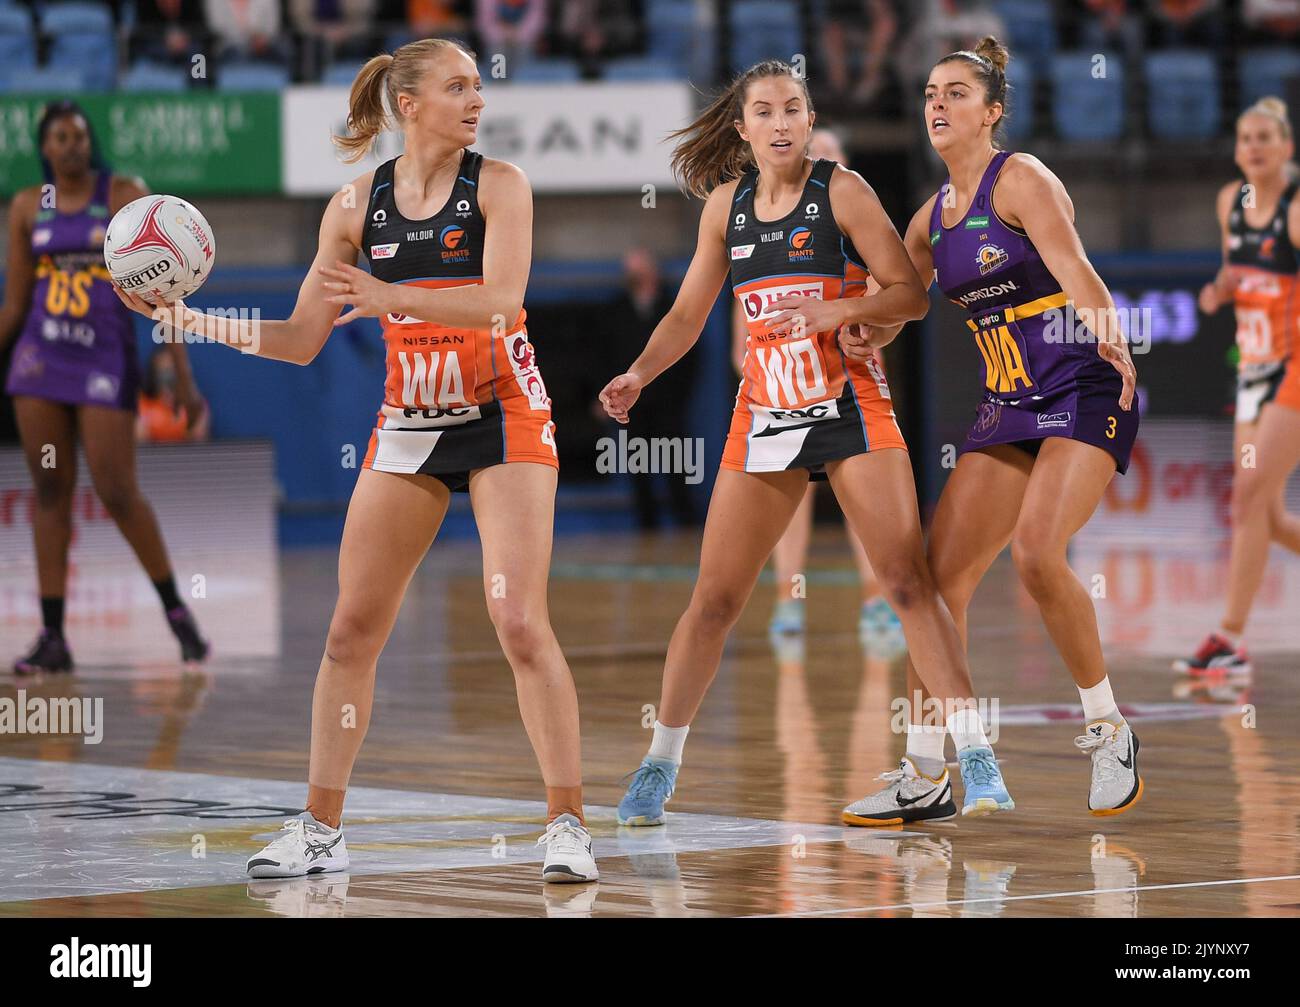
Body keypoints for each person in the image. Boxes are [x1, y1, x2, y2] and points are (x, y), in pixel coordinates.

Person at [113, 39, 597, 883]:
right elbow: (302, 341)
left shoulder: (503, 187)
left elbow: (502, 303)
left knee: (519, 620)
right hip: (409, 421)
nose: (476, 100)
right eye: (457, 87)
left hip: (503, 416)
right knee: (349, 632)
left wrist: (388, 297)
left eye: (478, 86)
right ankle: (321, 830)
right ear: (409, 106)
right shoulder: (352, 208)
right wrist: (186, 319)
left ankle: (566, 824)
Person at [602, 59, 1013, 829]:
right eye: (766, 111)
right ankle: (658, 766)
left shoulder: (844, 191)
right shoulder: (725, 207)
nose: (783, 122)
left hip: (850, 407)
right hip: (764, 418)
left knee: (905, 580)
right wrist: (638, 374)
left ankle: (975, 754)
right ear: (743, 128)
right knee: (714, 601)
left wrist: (835, 312)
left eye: (794, 107)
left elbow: (910, 293)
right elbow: (689, 314)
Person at [840, 36, 1143, 819]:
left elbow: (1077, 270)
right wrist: (867, 323)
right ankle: (924, 771)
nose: (937, 105)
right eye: (931, 93)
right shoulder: (929, 219)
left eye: (956, 93)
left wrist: (1109, 332)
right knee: (936, 586)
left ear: (992, 112)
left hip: (1080, 380)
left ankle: (1107, 727)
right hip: (1009, 401)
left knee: (1039, 552)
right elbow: (904, 297)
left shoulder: (1024, 179)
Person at [0, 100, 208, 675]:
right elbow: (15, 305)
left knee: (117, 491)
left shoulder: (120, 193)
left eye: (80, 135)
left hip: (103, 357)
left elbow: (167, 293)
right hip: (40, 360)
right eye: (60, 137)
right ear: (44, 147)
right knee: (49, 492)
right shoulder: (26, 207)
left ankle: (176, 614)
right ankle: (52, 636)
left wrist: (182, 379)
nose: (72, 144)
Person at [732, 125, 901, 645]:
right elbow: (743, 341)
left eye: (831, 155)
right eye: (817, 154)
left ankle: (878, 598)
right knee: (791, 503)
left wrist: (862, 333)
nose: (821, 163)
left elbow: (891, 308)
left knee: (863, 503)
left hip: (848, 392)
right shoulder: (758, 232)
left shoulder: (859, 226)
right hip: (782, 397)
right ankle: (788, 602)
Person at [1175, 97, 1300, 675]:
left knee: (1247, 496)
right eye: (1244, 138)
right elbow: (1235, 271)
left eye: (1264, 138)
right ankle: (1230, 639)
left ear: (1286, 148)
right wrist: (1220, 291)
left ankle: (1229, 638)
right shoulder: (1231, 201)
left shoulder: (1295, 209)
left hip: (1294, 363)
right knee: (1262, 514)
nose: (1252, 147)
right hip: (1254, 367)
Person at [607, 247, 698, 529]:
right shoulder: (616, 309)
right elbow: (603, 353)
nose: (634, 274)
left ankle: (685, 523)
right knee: (639, 465)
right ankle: (647, 525)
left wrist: (677, 393)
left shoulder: (670, 303)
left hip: (667, 400)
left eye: (640, 268)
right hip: (632, 401)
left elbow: (691, 351)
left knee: (675, 463)